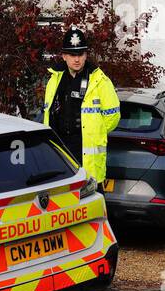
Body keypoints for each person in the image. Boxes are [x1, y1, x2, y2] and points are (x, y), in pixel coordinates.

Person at [42, 27, 120, 182]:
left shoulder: (100, 81)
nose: (76, 59)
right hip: (60, 149)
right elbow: (48, 113)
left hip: (86, 150)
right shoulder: (54, 79)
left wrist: (94, 131)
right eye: (72, 55)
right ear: (64, 56)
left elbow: (113, 117)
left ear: (86, 55)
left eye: (80, 54)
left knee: (92, 199)